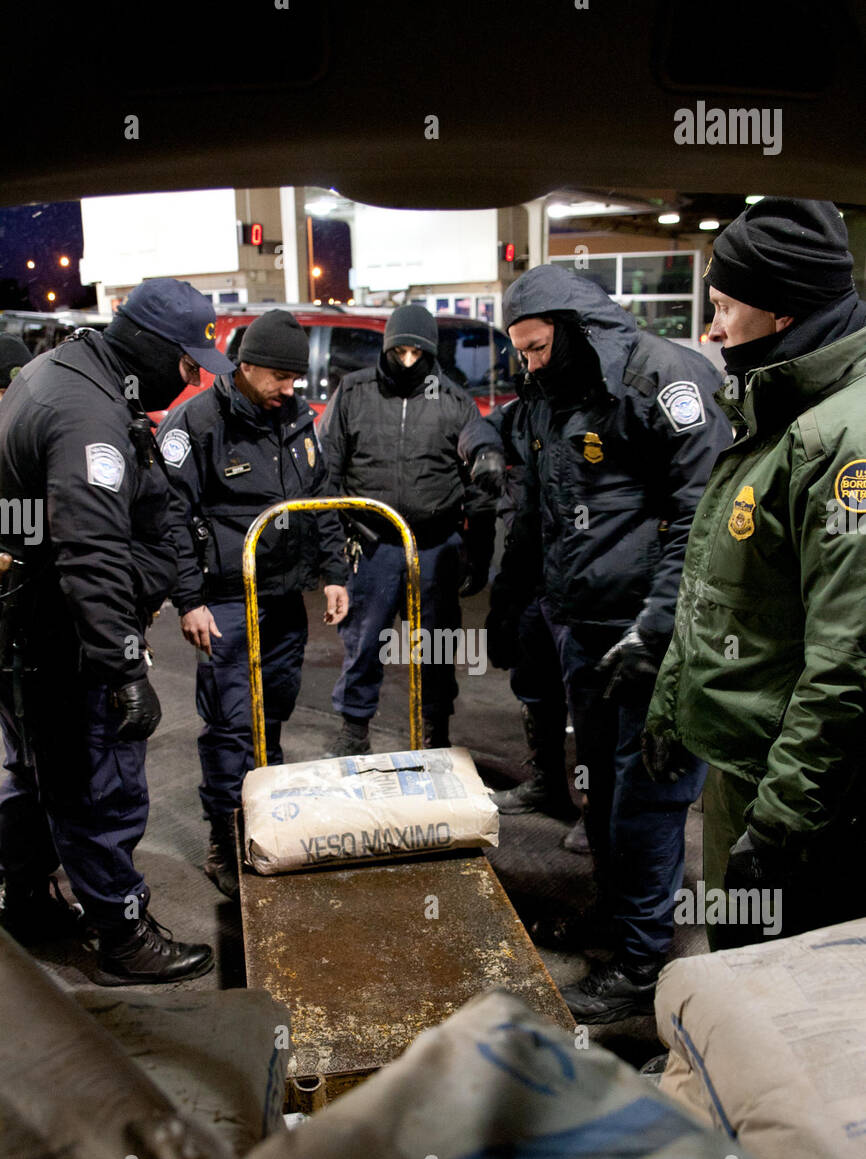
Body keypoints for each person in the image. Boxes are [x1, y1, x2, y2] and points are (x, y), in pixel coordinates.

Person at [462, 263, 731, 1022]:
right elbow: (517, 470)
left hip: (655, 636)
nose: (530, 364)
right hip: (585, 630)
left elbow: (700, 515)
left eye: (540, 347)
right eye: (522, 352)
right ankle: (623, 926)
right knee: (607, 793)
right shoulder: (551, 399)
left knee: (648, 798)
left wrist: (659, 626)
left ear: (578, 331)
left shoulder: (661, 380)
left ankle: (645, 966)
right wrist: (513, 599)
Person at [645, 198, 866, 949]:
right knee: (736, 977)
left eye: (724, 308)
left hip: (805, 800)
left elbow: (849, 663)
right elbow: (722, 591)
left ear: (782, 314)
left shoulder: (841, 441)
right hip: (751, 771)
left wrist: (779, 825)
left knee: (778, 1007)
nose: (711, 331)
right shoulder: (777, 410)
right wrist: (673, 708)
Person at [0, 278, 236, 982]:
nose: (192, 378)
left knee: (36, 775)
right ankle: (124, 939)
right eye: (188, 362)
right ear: (151, 347)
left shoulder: (70, 373)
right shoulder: (85, 413)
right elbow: (91, 554)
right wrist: (124, 669)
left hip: (32, 622)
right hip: (62, 634)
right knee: (96, 784)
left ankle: (31, 903)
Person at [158, 309, 350, 900]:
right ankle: (228, 832)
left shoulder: (294, 417)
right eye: (280, 378)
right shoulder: (195, 422)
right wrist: (188, 599)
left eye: (294, 380)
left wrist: (335, 574)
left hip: (283, 598)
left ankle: (266, 812)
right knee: (232, 724)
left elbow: (318, 497)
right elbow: (170, 516)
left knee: (275, 711)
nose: (290, 390)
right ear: (244, 367)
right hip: (224, 602)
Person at [318, 303, 502, 755]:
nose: (406, 361)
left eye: (416, 353)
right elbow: (326, 471)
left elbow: (477, 477)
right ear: (385, 347)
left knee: (434, 647)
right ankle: (354, 729)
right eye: (398, 350)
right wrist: (332, 549)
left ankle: (434, 730)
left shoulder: (454, 401)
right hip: (372, 543)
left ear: (430, 353)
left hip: (434, 546)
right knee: (365, 642)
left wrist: (477, 550)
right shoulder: (354, 393)